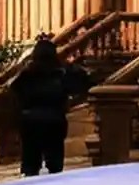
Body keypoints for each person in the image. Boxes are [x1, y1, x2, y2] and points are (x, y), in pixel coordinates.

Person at [9, 38, 90, 177]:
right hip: (54, 120)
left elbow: (14, 88)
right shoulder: (61, 72)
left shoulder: (27, 74)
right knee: (55, 162)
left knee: (30, 161)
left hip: (30, 121)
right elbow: (78, 85)